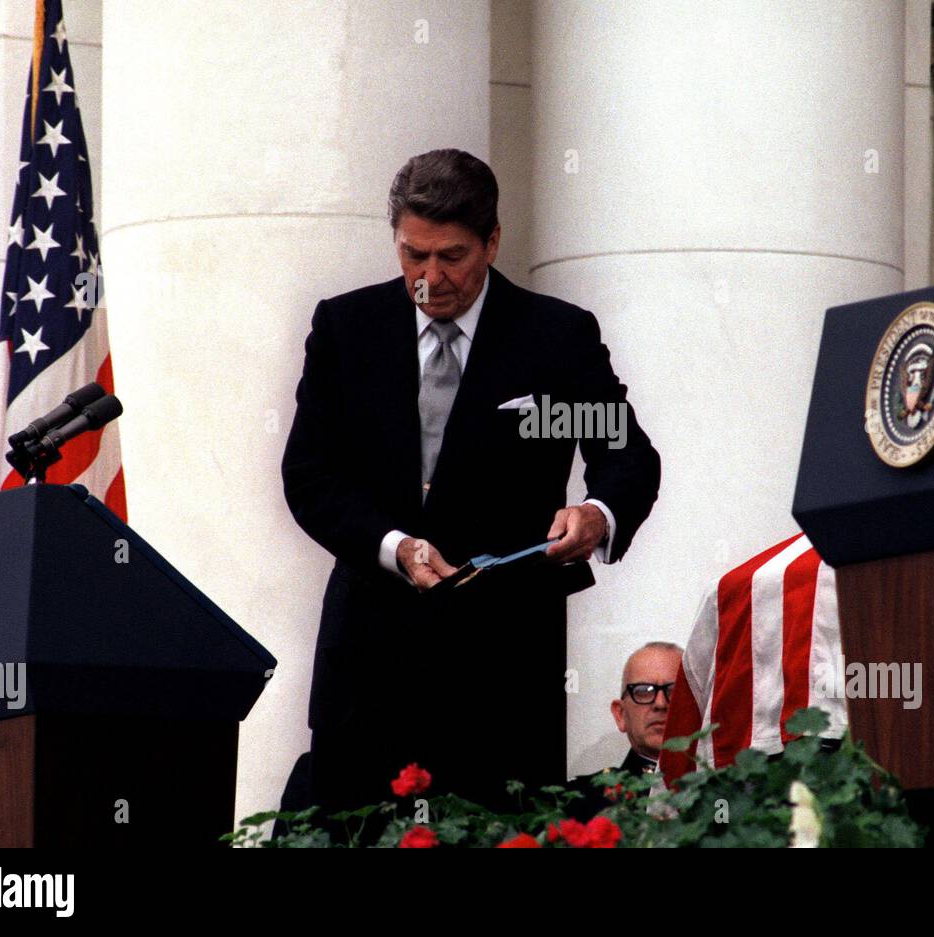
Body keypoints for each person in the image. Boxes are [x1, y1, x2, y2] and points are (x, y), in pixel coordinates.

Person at [282, 149, 661, 833]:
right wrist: (397, 547)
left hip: (504, 675)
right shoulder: (347, 330)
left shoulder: (555, 338)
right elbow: (309, 475)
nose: (429, 280)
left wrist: (595, 515)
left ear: (492, 240)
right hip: (368, 671)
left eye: (451, 257)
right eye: (412, 255)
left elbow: (627, 457)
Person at [567, 642, 683, 821]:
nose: (660, 704)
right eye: (643, 691)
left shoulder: (724, 796)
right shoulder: (579, 803)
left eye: (674, 691)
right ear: (620, 714)